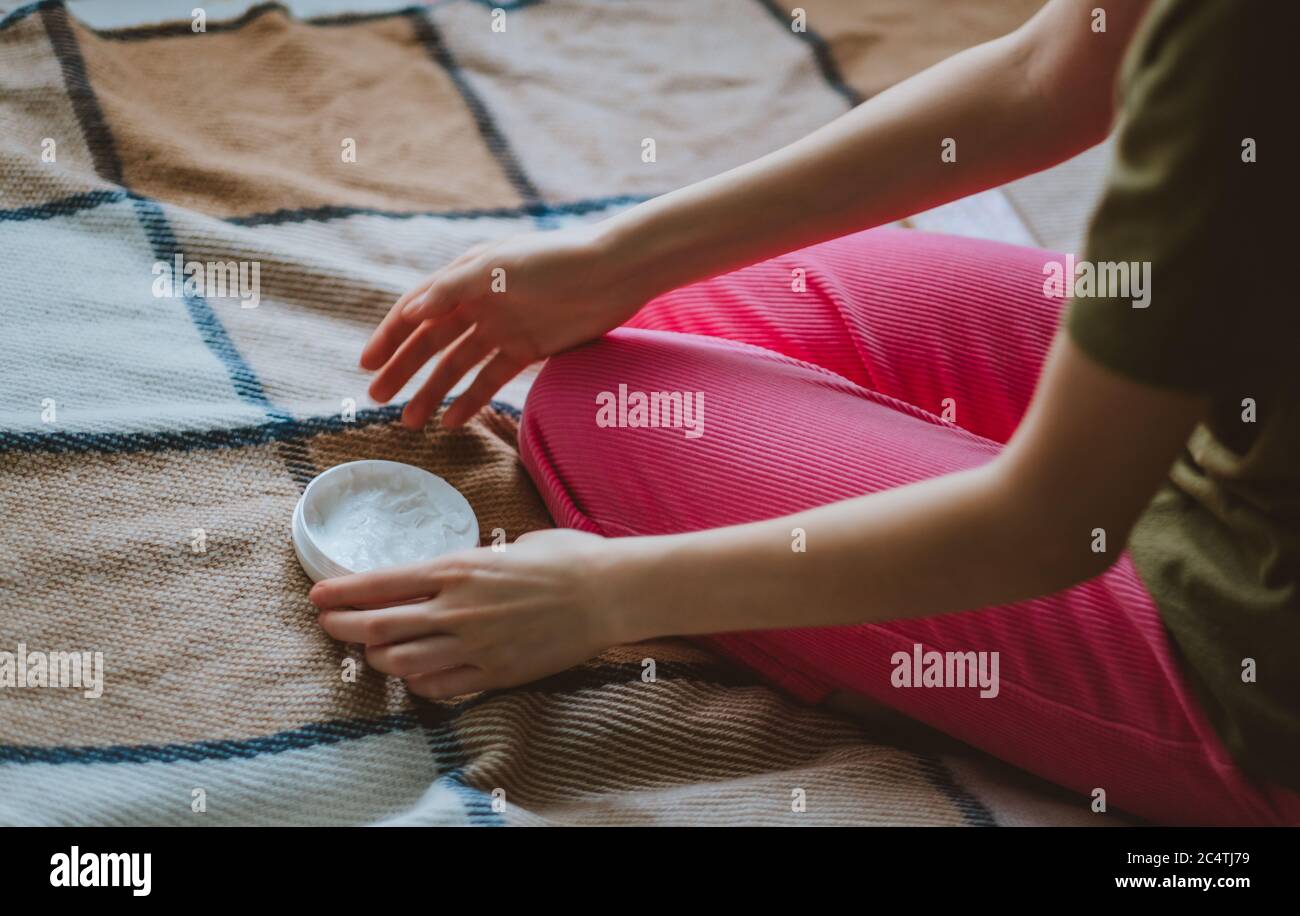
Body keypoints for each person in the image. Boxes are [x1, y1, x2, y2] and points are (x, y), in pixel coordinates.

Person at [309, 0, 1298, 825]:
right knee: (663, 335)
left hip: (1251, 646)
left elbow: (1053, 523)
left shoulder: (1241, 48)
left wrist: (608, 597)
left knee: (607, 426)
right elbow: (1052, 67)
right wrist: (610, 263)